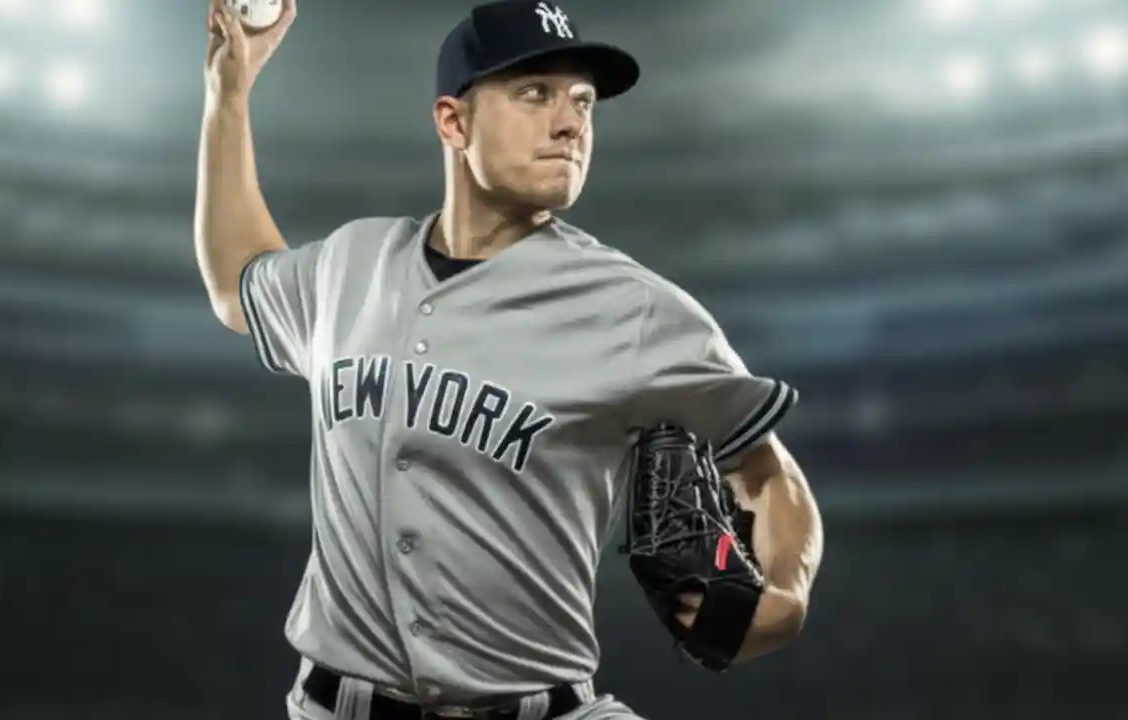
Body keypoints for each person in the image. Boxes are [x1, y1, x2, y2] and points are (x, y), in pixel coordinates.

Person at [194, 1, 825, 718]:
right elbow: (236, 278)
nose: (571, 121)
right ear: (452, 122)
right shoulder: (350, 264)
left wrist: (785, 598)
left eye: (583, 100)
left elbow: (765, 468)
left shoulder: (638, 310)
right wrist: (228, 93)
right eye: (535, 93)